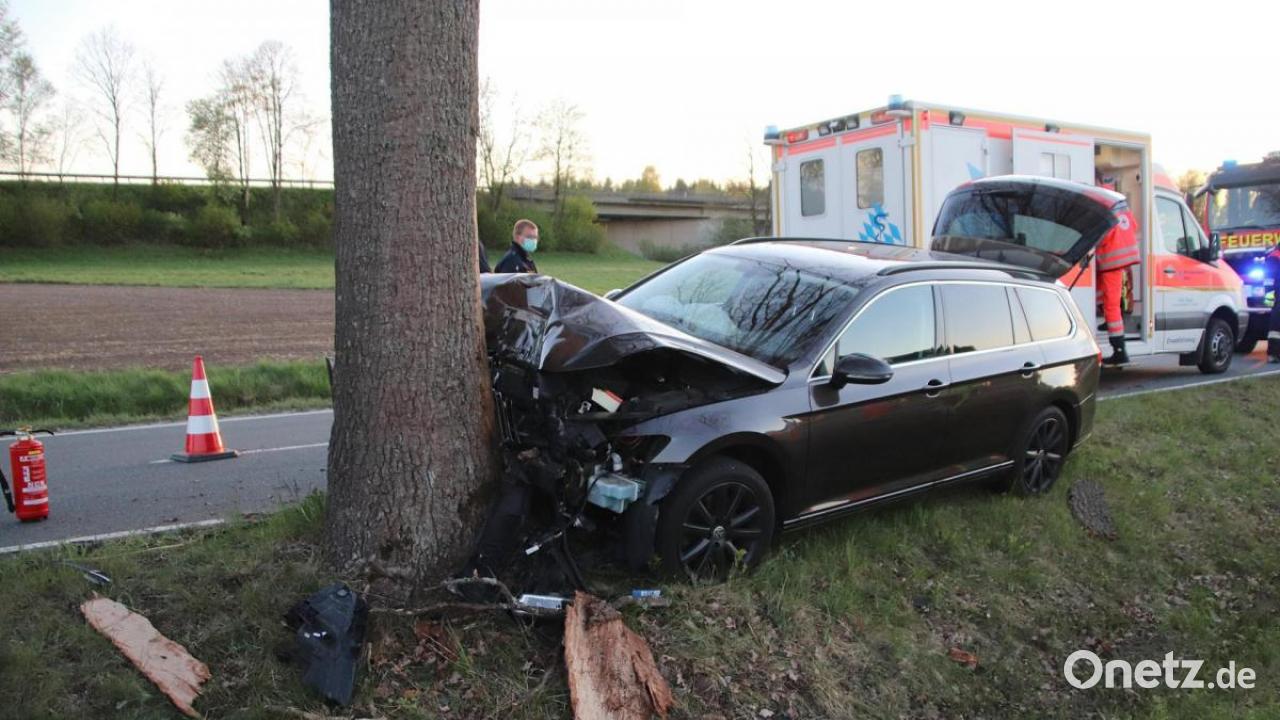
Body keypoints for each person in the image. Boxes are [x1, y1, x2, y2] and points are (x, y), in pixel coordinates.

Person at [1097, 203, 1140, 365]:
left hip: (1111, 260)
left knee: (1111, 306)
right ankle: (1108, 321)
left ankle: (1119, 351)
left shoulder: (1102, 204)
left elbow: (1100, 235)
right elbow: (1133, 226)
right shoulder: (1119, 204)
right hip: (1122, 259)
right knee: (1104, 294)